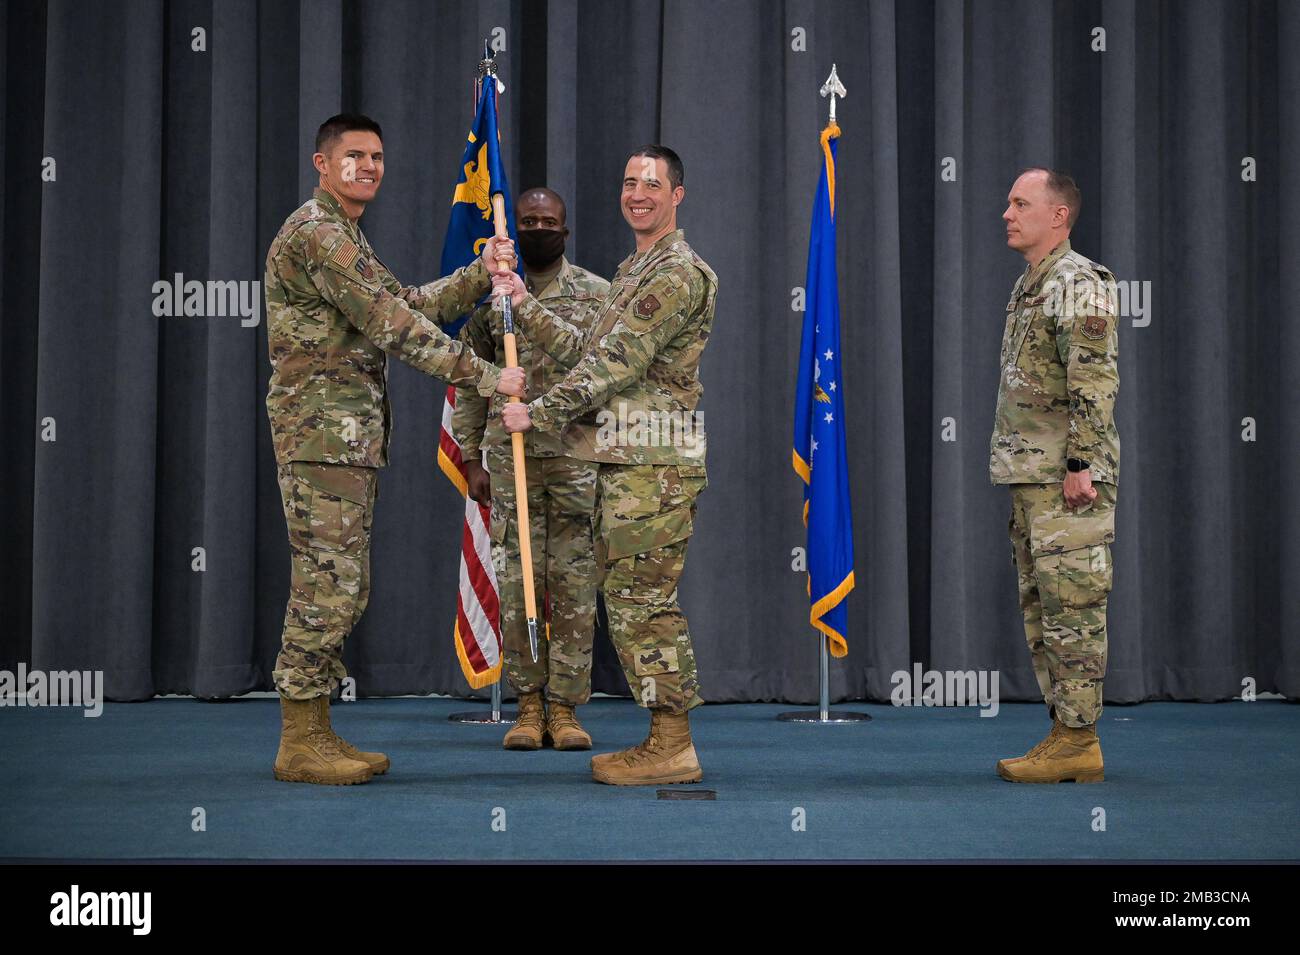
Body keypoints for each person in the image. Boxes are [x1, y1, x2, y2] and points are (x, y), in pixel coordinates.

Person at [264, 113, 523, 785]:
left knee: (343, 585)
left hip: (347, 438)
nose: (369, 166)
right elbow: (396, 326)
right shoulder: (319, 234)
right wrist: (489, 377)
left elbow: (403, 301)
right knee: (325, 586)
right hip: (322, 435)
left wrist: (477, 273)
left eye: (377, 155)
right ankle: (299, 738)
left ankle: (316, 729)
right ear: (323, 164)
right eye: (354, 156)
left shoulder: (345, 234)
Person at [495, 145, 717, 786]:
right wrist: (523, 302)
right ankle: (662, 738)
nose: (637, 193)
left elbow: (612, 367)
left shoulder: (675, 272)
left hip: (656, 464)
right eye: (628, 182)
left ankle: (673, 744)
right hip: (626, 459)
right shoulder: (635, 269)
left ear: (677, 194)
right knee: (628, 602)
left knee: (644, 602)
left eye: (652, 183)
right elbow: (583, 349)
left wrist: (535, 413)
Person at [452, 187, 610, 751]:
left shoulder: (597, 294)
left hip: (574, 458)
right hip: (508, 459)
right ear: (513, 229)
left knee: (572, 587)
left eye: (549, 221)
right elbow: (473, 380)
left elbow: (600, 367)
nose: (539, 228)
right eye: (528, 221)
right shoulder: (489, 301)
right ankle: (527, 705)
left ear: (565, 230)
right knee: (518, 585)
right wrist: (470, 456)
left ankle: (565, 709)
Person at [992, 167, 1120, 784]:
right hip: (1032, 476)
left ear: (1058, 215)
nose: (1008, 213)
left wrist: (1081, 464)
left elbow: (1092, 383)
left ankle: (1079, 739)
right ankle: (1066, 734)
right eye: (1009, 204)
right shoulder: (1032, 286)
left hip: (1067, 478)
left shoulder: (1078, 284)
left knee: (1074, 609)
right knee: (1045, 609)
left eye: (1021, 203)